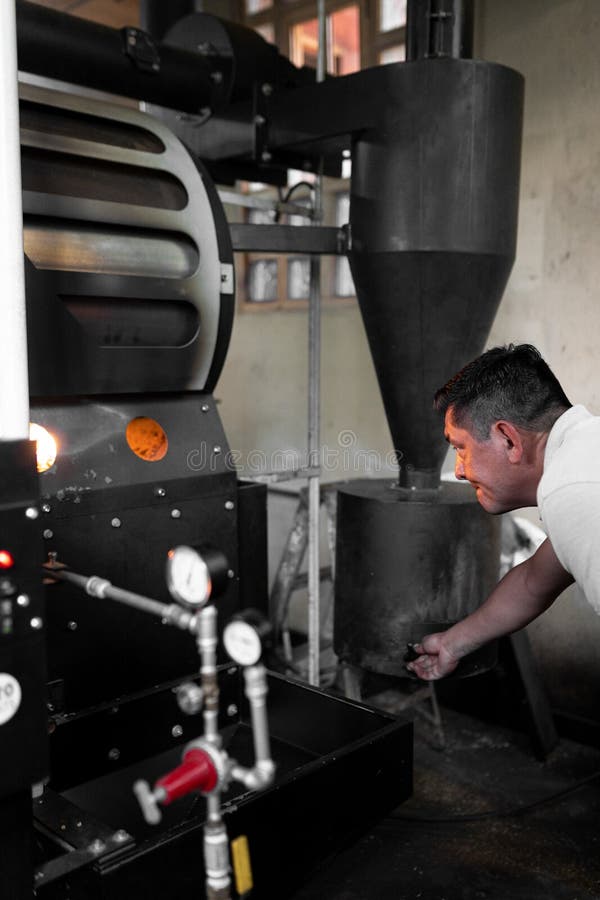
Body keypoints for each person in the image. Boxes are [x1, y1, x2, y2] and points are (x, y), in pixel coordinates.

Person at [406, 343, 600, 681]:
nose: (460, 471)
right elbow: (532, 582)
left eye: (460, 448)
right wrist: (452, 644)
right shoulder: (584, 452)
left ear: (508, 439)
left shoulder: (571, 488)